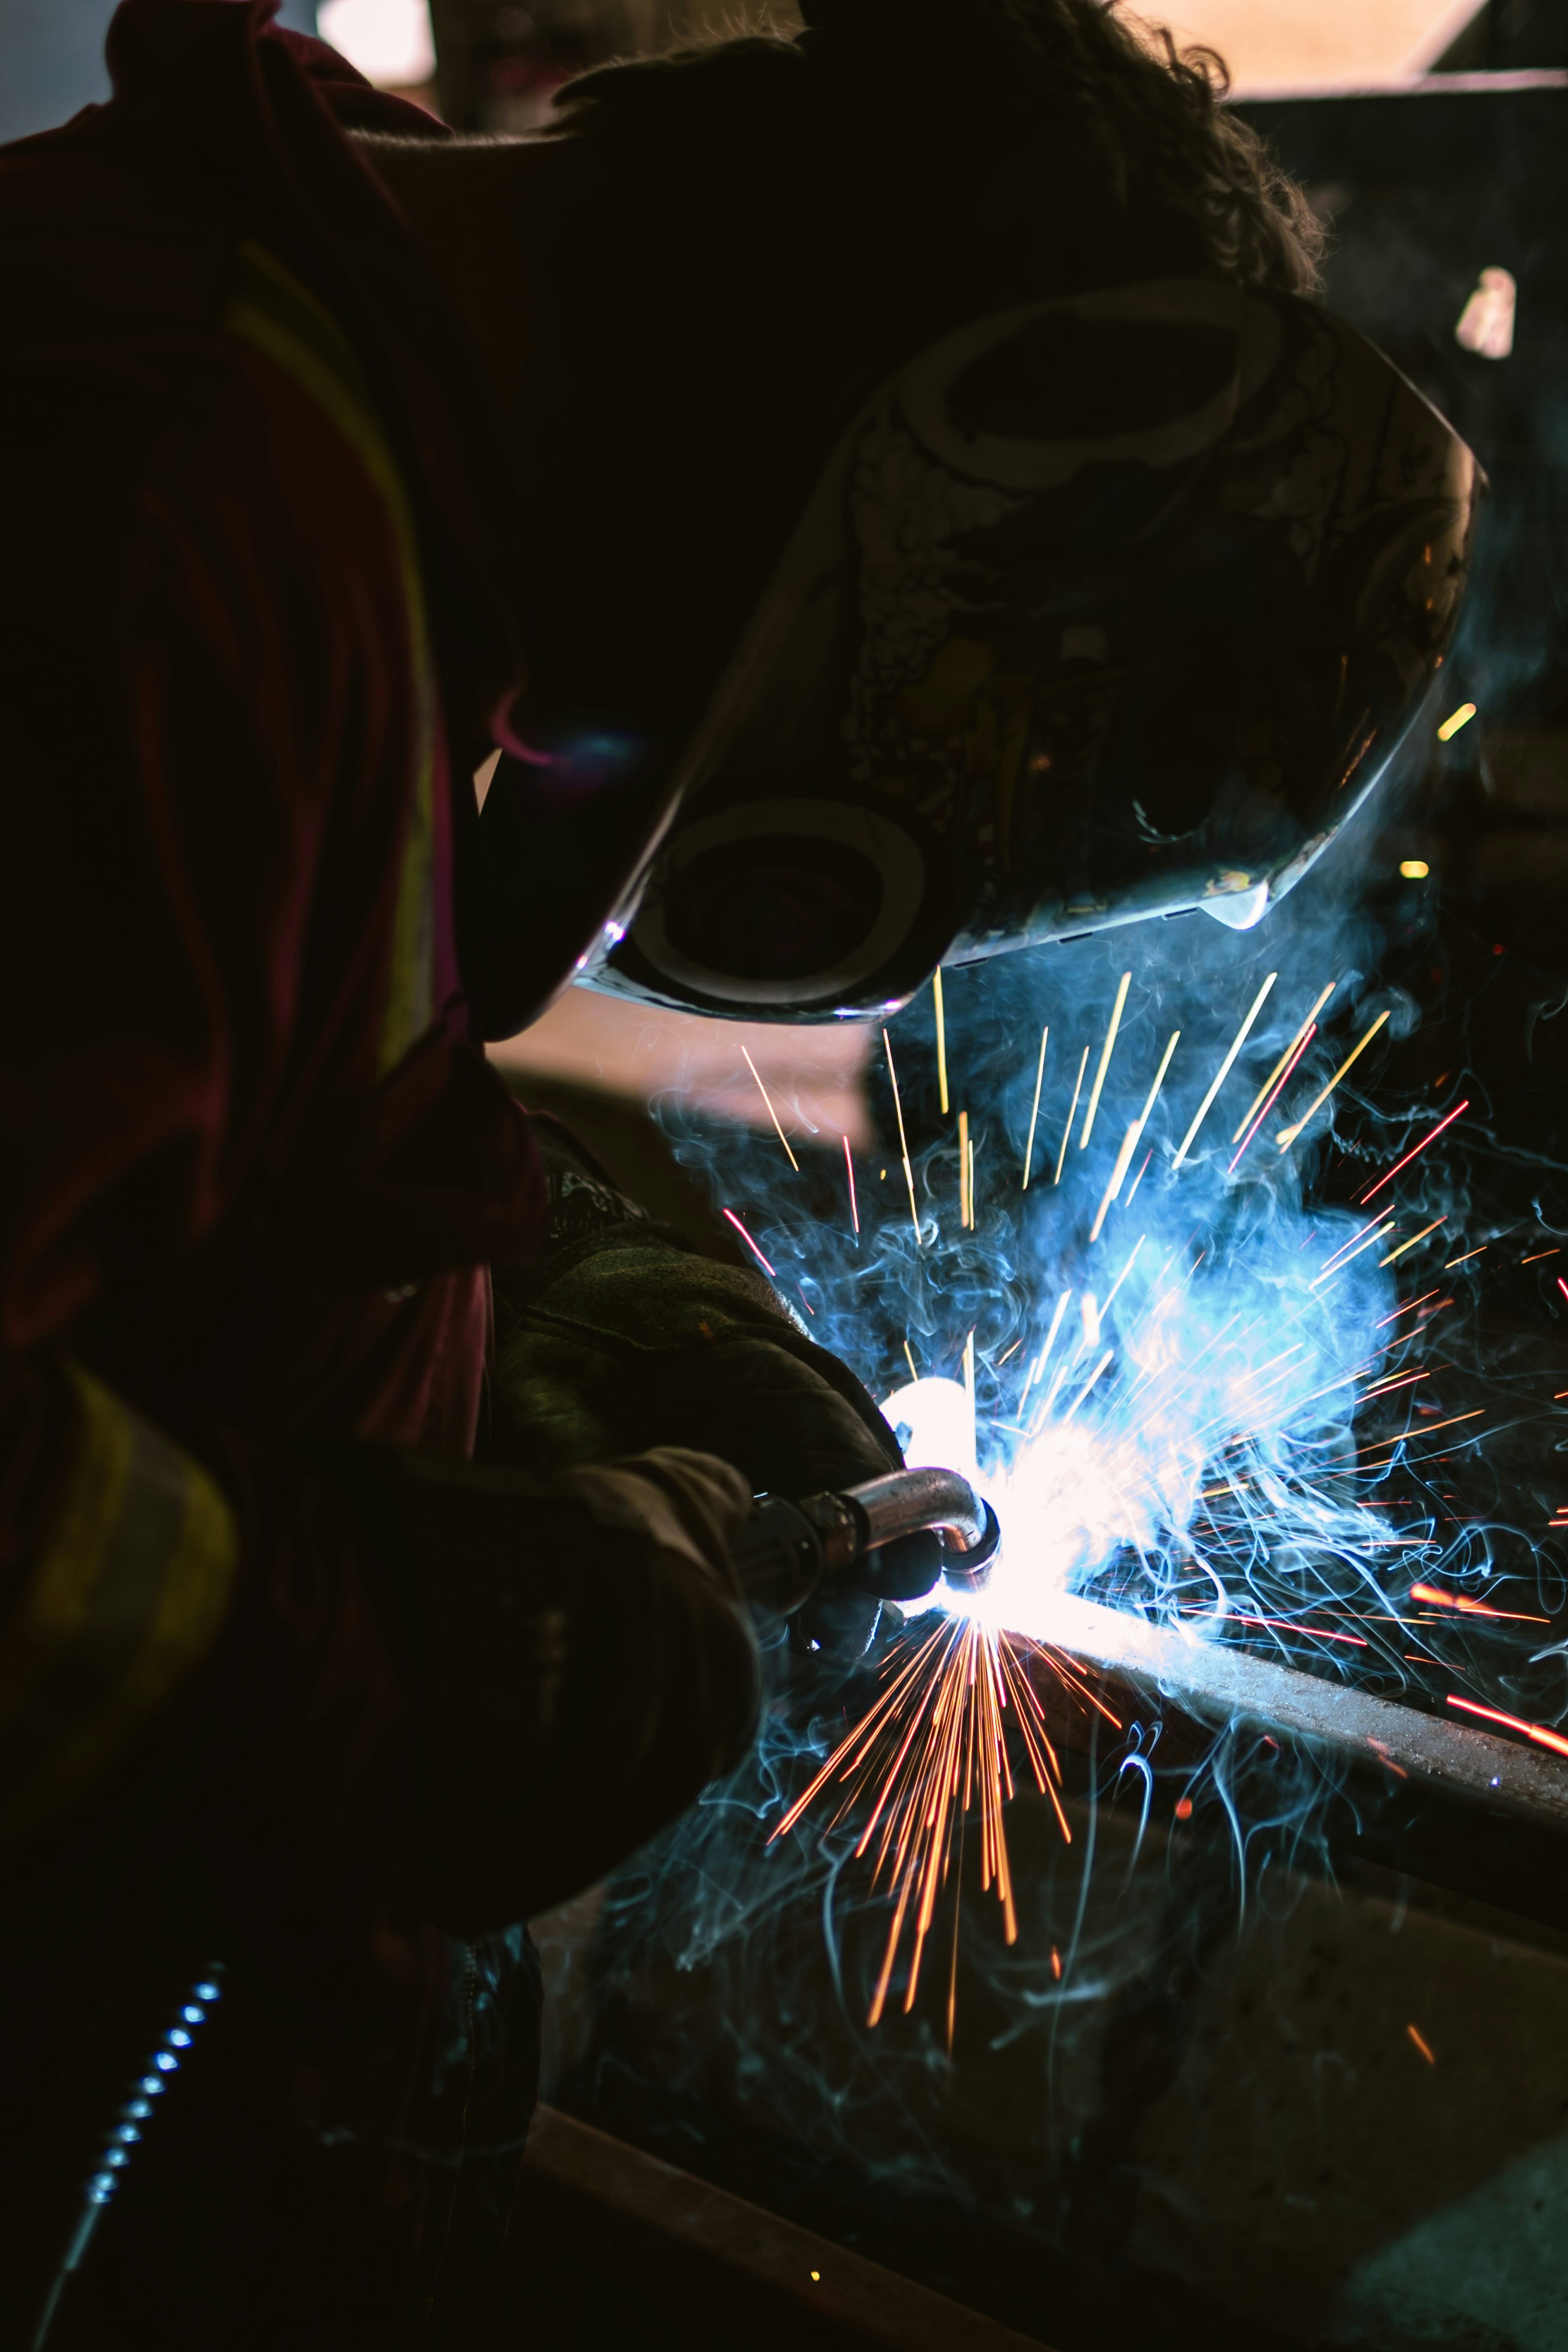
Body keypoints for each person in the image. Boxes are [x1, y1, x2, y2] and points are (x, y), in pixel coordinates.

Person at [0, 1, 1475, 2342]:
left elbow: (192, 1120)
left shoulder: (322, 470)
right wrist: (381, 1664)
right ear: (935, 469)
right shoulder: (168, 520)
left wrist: (565, 1303)